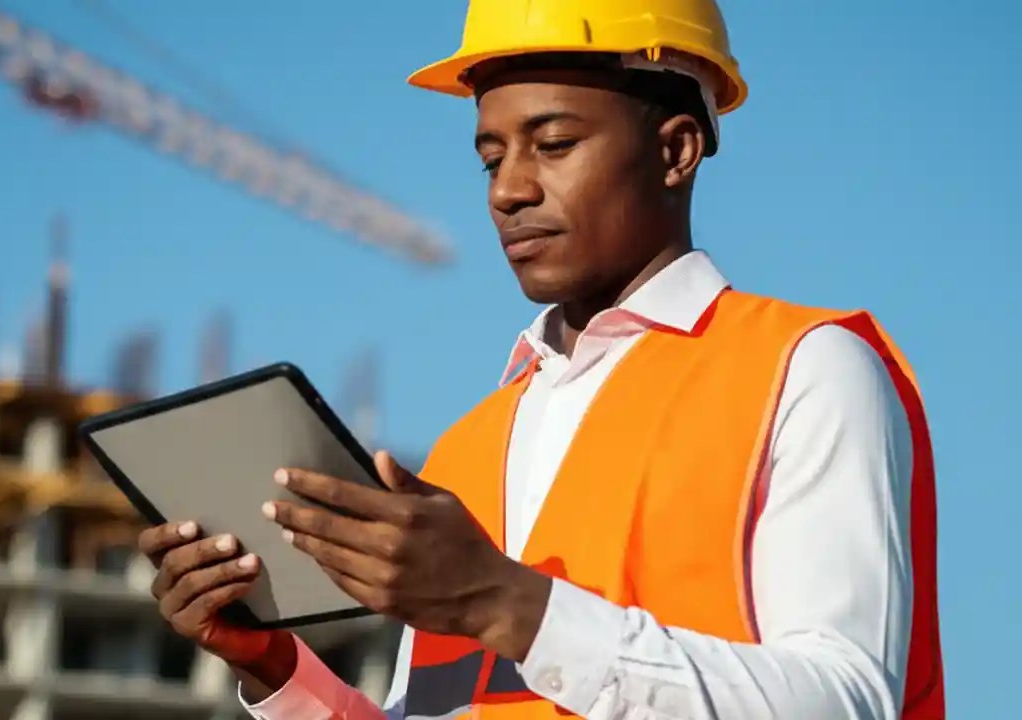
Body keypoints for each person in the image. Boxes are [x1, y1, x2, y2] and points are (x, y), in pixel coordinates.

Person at [136, 0, 945, 717]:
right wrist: (275, 668)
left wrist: (506, 602)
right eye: (491, 159)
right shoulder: (470, 448)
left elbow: (845, 701)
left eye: (552, 144)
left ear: (677, 151)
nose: (507, 190)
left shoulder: (807, 369)